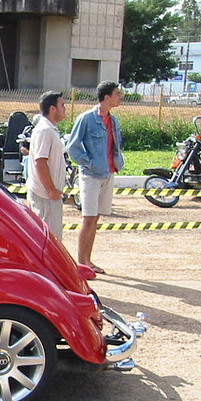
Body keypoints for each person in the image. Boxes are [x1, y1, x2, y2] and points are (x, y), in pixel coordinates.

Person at [66, 81, 124, 275]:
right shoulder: (86, 119)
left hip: (108, 172)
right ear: (106, 97)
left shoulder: (113, 120)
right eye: (117, 93)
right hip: (91, 175)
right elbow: (73, 146)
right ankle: (82, 263)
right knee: (88, 218)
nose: (120, 97)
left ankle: (88, 261)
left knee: (96, 218)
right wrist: (88, 162)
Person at [26, 91, 67, 239]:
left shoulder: (50, 129)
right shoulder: (45, 130)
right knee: (49, 241)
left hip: (48, 196)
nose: (65, 108)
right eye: (62, 105)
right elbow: (40, 162)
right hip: (45, 197)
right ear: (52, 109)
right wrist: (51, 190)